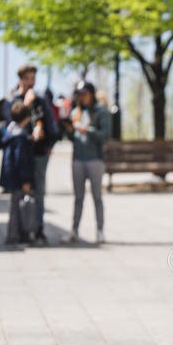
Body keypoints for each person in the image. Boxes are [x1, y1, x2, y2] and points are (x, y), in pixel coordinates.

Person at [3, 64, 59, 245]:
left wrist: (50, 143)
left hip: (39, 152)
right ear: (20, 79)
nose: (31, 83)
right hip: (21, 154)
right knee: (20, 193)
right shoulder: (13, 99)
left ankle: (38, 229)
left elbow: (51, 124)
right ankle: (21, 230)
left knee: (39, 192)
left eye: (33, 79)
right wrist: (25, 105)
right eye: (27, 79)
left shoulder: (41, 99)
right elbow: (9, 125)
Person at [62, 81, 112, 244]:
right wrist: (70, 131)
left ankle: (100, 231)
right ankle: (74, 230)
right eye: (79, 94)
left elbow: (105, 135)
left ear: (91, 94)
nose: (81, 97)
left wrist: (88, 130)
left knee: (97, 197)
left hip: (95, 160)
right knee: (78, 198)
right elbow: (73, 138)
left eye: (84, 94)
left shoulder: (101, 112)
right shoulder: (76, 112)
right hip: (78, 159)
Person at [0, 102, 35, 245]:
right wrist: (26, 180)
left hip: (11, 176)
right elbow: (21, 160)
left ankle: (15, 234)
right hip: (19, 177)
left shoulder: (10, 132)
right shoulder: (20, 136)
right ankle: (14, 235)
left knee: (15, 205)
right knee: (17, 207)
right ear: (25, 118)